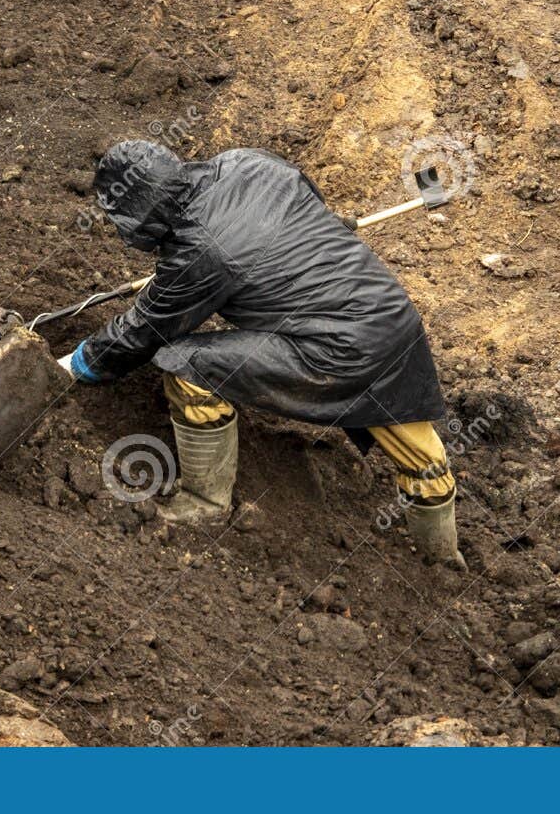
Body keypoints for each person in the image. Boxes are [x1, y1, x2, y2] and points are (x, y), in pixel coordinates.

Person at [63, 141, 462, 567]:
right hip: (391, 319)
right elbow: (308, 201)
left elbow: (143, 331)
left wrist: (77, 364)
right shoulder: (245, 162)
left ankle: (202, 503)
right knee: (423, 458)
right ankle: (442, 561)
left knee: (187, 365)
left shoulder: (199, 251)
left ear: (138, 217)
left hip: (335, 351)